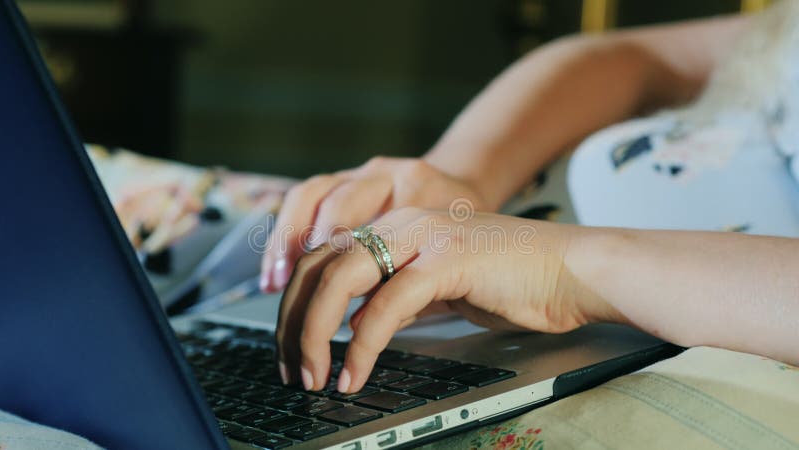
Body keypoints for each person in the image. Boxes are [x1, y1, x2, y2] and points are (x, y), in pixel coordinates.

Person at [259, 1, 799, 395]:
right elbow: (633, 57)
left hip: (542, 316)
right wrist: (462, 178)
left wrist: (562, 271)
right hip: (455, 265)